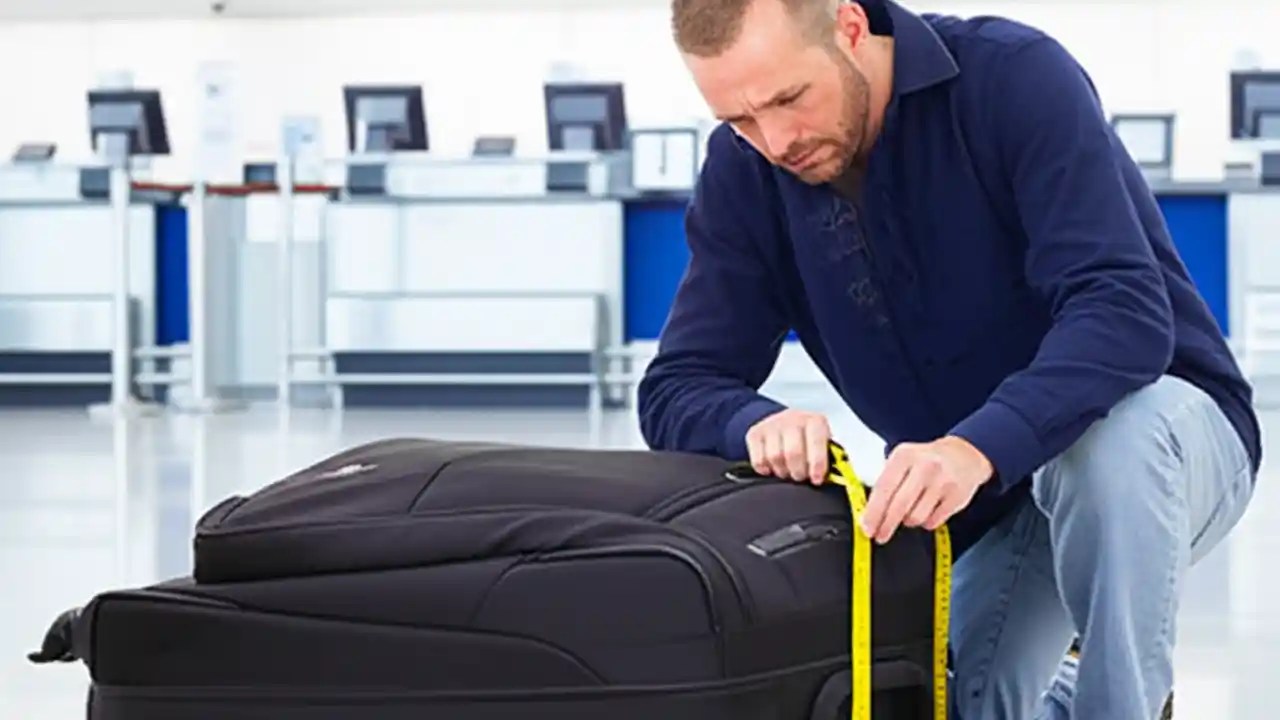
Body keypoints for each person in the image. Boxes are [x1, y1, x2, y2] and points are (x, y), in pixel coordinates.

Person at [637, 0, 1263, 717]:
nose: (775, 140)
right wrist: (749, 423)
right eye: (740, 120)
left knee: (1109, 450)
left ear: (848, 25)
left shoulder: (1014, 79)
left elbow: (1120, 312)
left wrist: (973, 446)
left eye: (789, 98)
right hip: (992, 507)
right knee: (949, 700)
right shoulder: (746, 173)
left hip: (1163, 437)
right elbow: (678, 383)